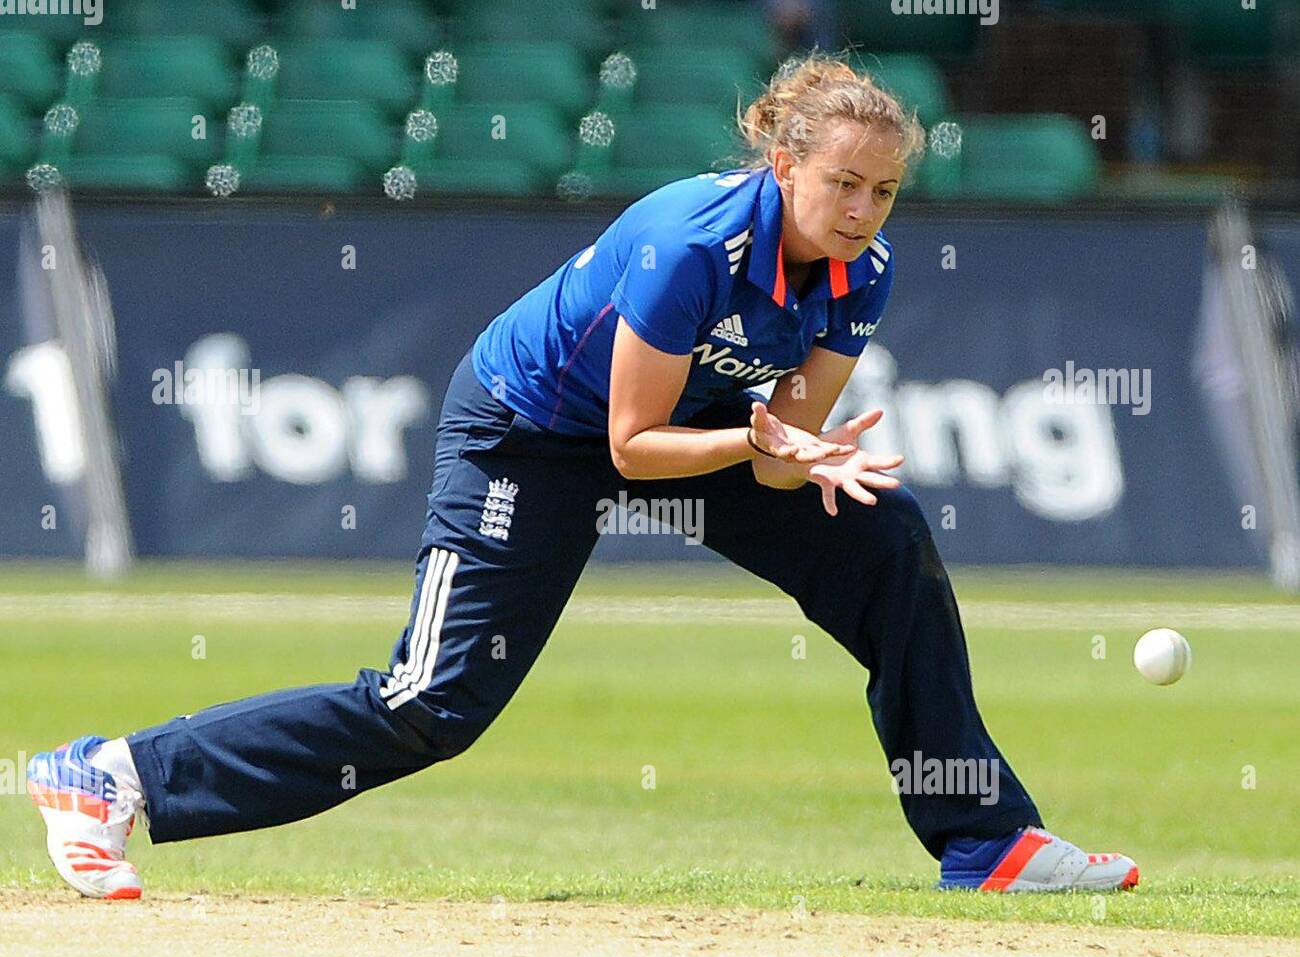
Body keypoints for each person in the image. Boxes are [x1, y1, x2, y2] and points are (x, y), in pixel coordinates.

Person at [27, 54, 1139, 900]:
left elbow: (783, 441)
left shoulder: (864, 272)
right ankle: (108, 775)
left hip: (699, 430)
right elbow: (628, 447)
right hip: (532, 432)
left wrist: (805, 457)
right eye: (841, 183)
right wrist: (763, 448)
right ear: (784, 164)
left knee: (886, 539)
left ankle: (986, 840)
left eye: (883, 192)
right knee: (432, 704)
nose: (859, 212)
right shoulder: (690, 244)